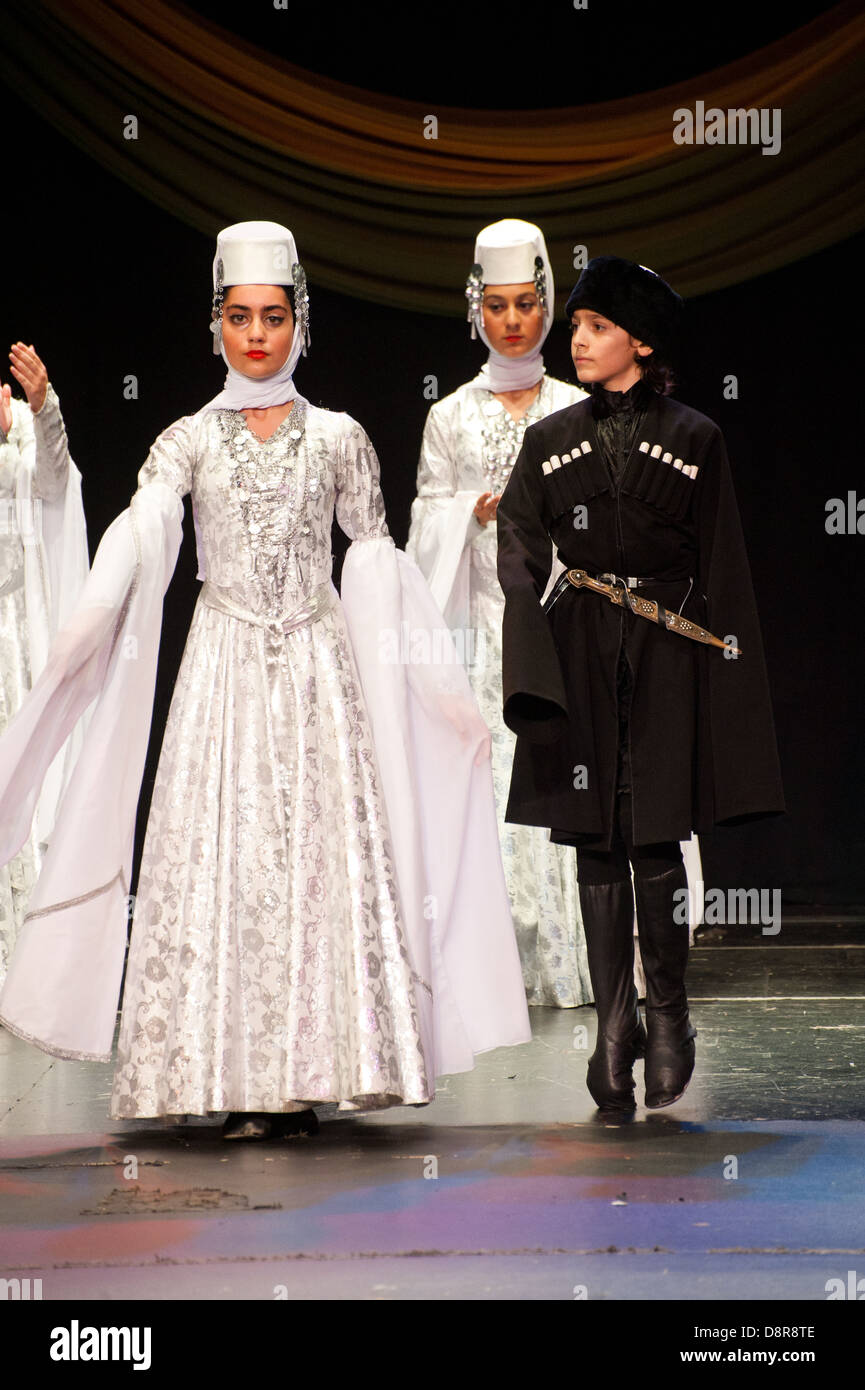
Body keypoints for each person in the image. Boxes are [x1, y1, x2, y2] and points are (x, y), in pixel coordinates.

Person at [0, 221, 531, 1139]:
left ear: (300, 321)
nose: (257, 335)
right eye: (240, 317)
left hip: (320, 672)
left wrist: (431, 690)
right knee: (226, 861)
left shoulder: (338, 437)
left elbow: (375, 561)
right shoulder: (185, 439)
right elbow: (147, 526)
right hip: (225, 666)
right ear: (216, 324)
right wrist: (101, 600)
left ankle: (316, 1070)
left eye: (273, 316)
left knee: (320, 864)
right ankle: (226, 1071)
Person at [496, 255, 784, 1112]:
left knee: (653, 833)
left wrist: (727, 680)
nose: (574, 339)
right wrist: (531, 636)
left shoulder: (694, 438)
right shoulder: (550, 442)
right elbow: (519, 539)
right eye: (575, 326)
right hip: (583, 648)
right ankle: (610, 1028)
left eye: (594, 327)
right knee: (593, 835)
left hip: (666, 649)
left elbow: (722, 563)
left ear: (640, 340)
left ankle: (668, 1020)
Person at [407, 219, 593, 1006]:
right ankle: (483, 974)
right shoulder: (449, 417)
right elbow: (419, 526)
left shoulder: (579, 405)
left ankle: (574, 958)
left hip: (564, 630)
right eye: (498, 305)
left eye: (526, 305)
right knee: (488, 790)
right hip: (482, 636)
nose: (512, 321)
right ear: (475, 309)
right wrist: (464, 516)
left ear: (547, 307)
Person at [0, 344, 87, 983]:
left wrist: (42, 407)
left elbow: (57, 487)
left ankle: (25, 969)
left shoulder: (27, 429)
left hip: (17, 643)